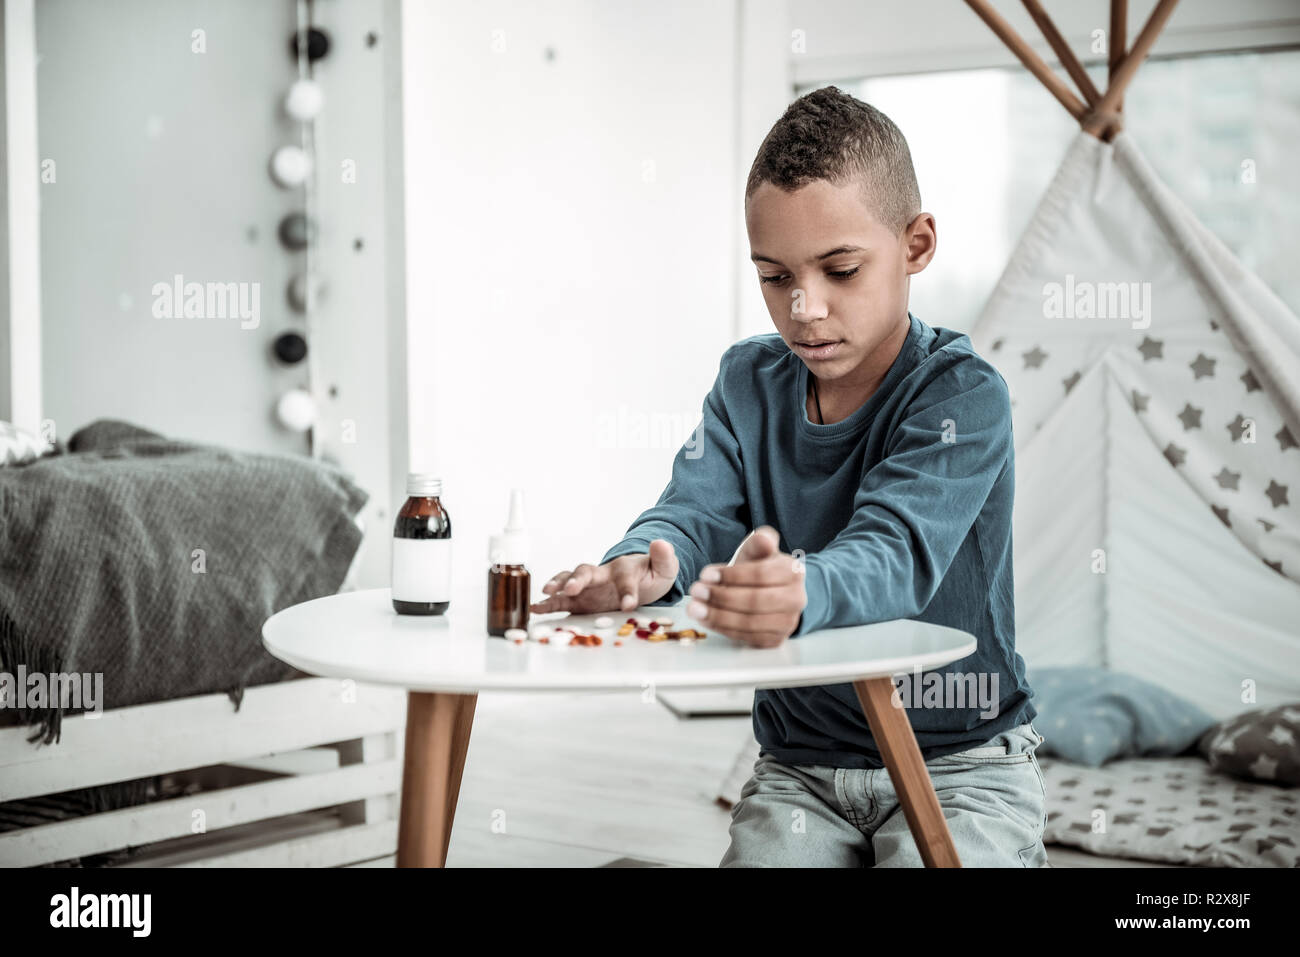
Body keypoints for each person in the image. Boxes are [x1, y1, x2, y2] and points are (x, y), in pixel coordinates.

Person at [530, 85, 1046, 867]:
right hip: (801, 768)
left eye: (840, 269)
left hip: (963, 761)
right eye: (775, 277)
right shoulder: (746, 381)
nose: (805, 308)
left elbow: (895, 551)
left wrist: (798, 589)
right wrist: (643, 561)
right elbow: (693, 511)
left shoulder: (962, 395)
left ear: (916, 244)